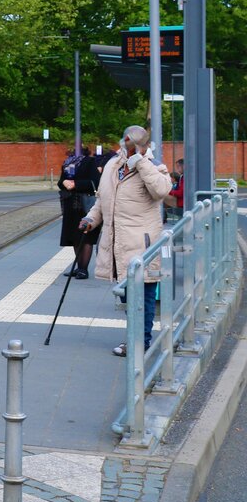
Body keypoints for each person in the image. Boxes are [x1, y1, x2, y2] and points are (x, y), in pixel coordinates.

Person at [80, 125, 171, 357]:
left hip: (142, 242)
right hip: (118, 241)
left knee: (144, 293)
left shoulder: (155, 166)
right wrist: (91, 218)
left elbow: (161, 191)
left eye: (133, 145)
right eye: (126, 143)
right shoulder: (113, 164)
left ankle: (140, 342)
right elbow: (103, 199)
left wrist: (140, 162)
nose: (127, 148)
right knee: (130, 295)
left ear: (144, 146)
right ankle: (135, 338)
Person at [57, 146, 99, 278]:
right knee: (74, 236)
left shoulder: (90, 162)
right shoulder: (68, 163)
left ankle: (84, 269)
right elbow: (60, 181)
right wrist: (64, 182)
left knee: (85, 236)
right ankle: (79, 266)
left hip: (85, 204)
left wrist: (76, 184)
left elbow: (95, 182)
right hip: (70, 204)